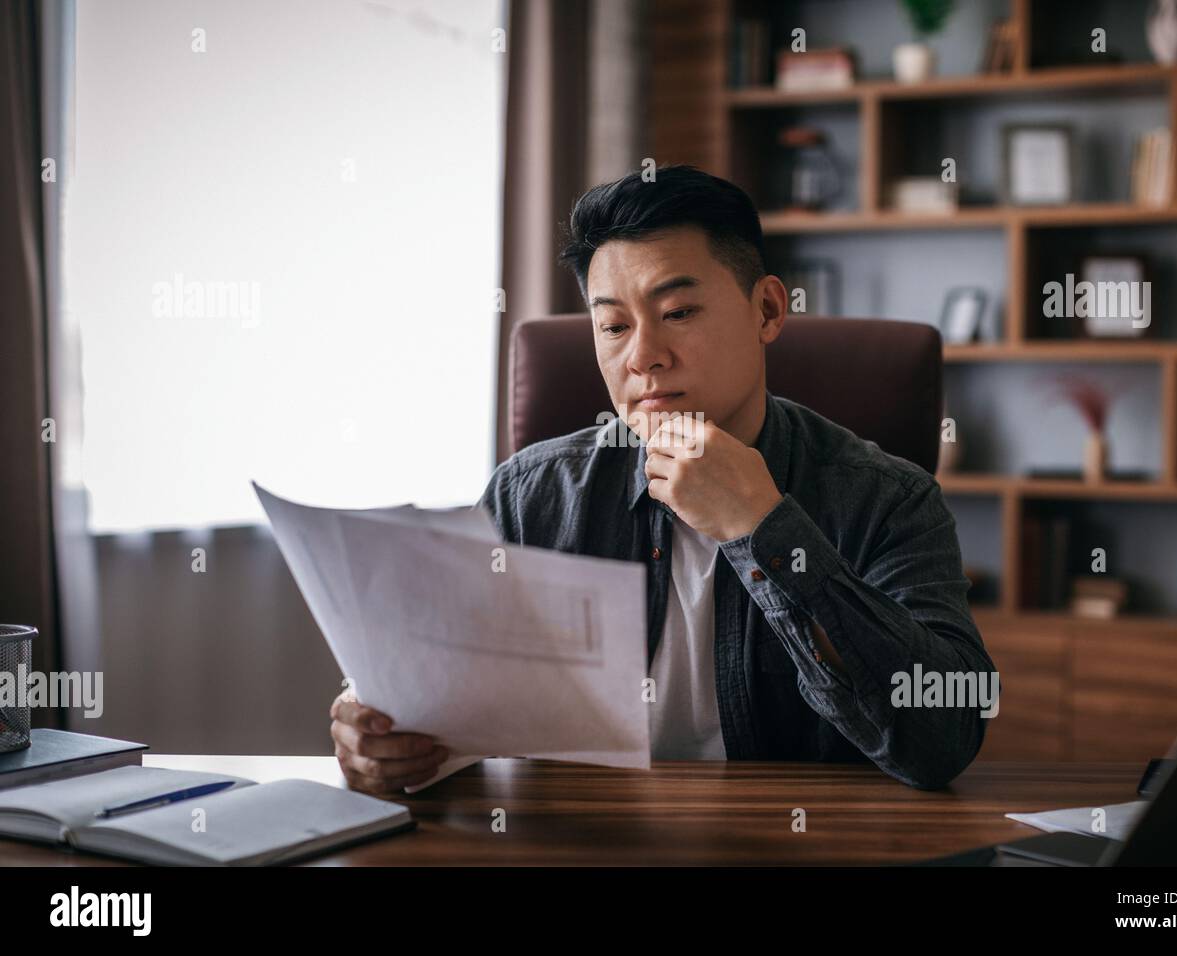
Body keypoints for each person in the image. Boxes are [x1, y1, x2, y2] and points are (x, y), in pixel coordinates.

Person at [332, 165, 997, 794]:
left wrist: (762, 527)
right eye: (614, 324)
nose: (643, 355)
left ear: (767, 310)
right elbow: (432, 685)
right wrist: (377, 731)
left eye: (677, 312)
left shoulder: (888, 499)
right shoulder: (532, 495)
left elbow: (940, 739)